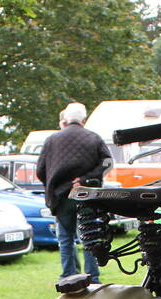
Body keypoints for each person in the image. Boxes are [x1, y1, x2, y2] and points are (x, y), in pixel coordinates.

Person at [37, 102, 110, 282]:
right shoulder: (94, 138)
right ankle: (92, 276)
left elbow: (40, 170)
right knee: (89, 236)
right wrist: (87, 179)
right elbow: (107, 163)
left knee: (65, 238)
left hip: (61, 197)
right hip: (86, 195)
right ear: (83, 120)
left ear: (66, 119)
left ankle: (69, 274)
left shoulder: (51, 140)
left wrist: (54, 183)